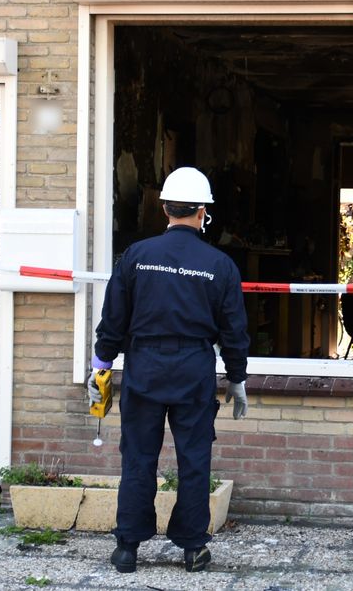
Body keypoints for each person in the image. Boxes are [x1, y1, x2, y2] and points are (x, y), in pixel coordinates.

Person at [89, 166, 250, 574]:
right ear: (202, 212)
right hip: (194, 370)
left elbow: (113, 320)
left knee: (138, 458)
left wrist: (100, 367)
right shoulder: (220, 265)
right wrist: (237, 377)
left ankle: (127, 547)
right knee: (194, 459)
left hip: (144, 368)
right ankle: (193, 547)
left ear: (164, 209)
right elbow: (234, 329)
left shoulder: (137, 257)